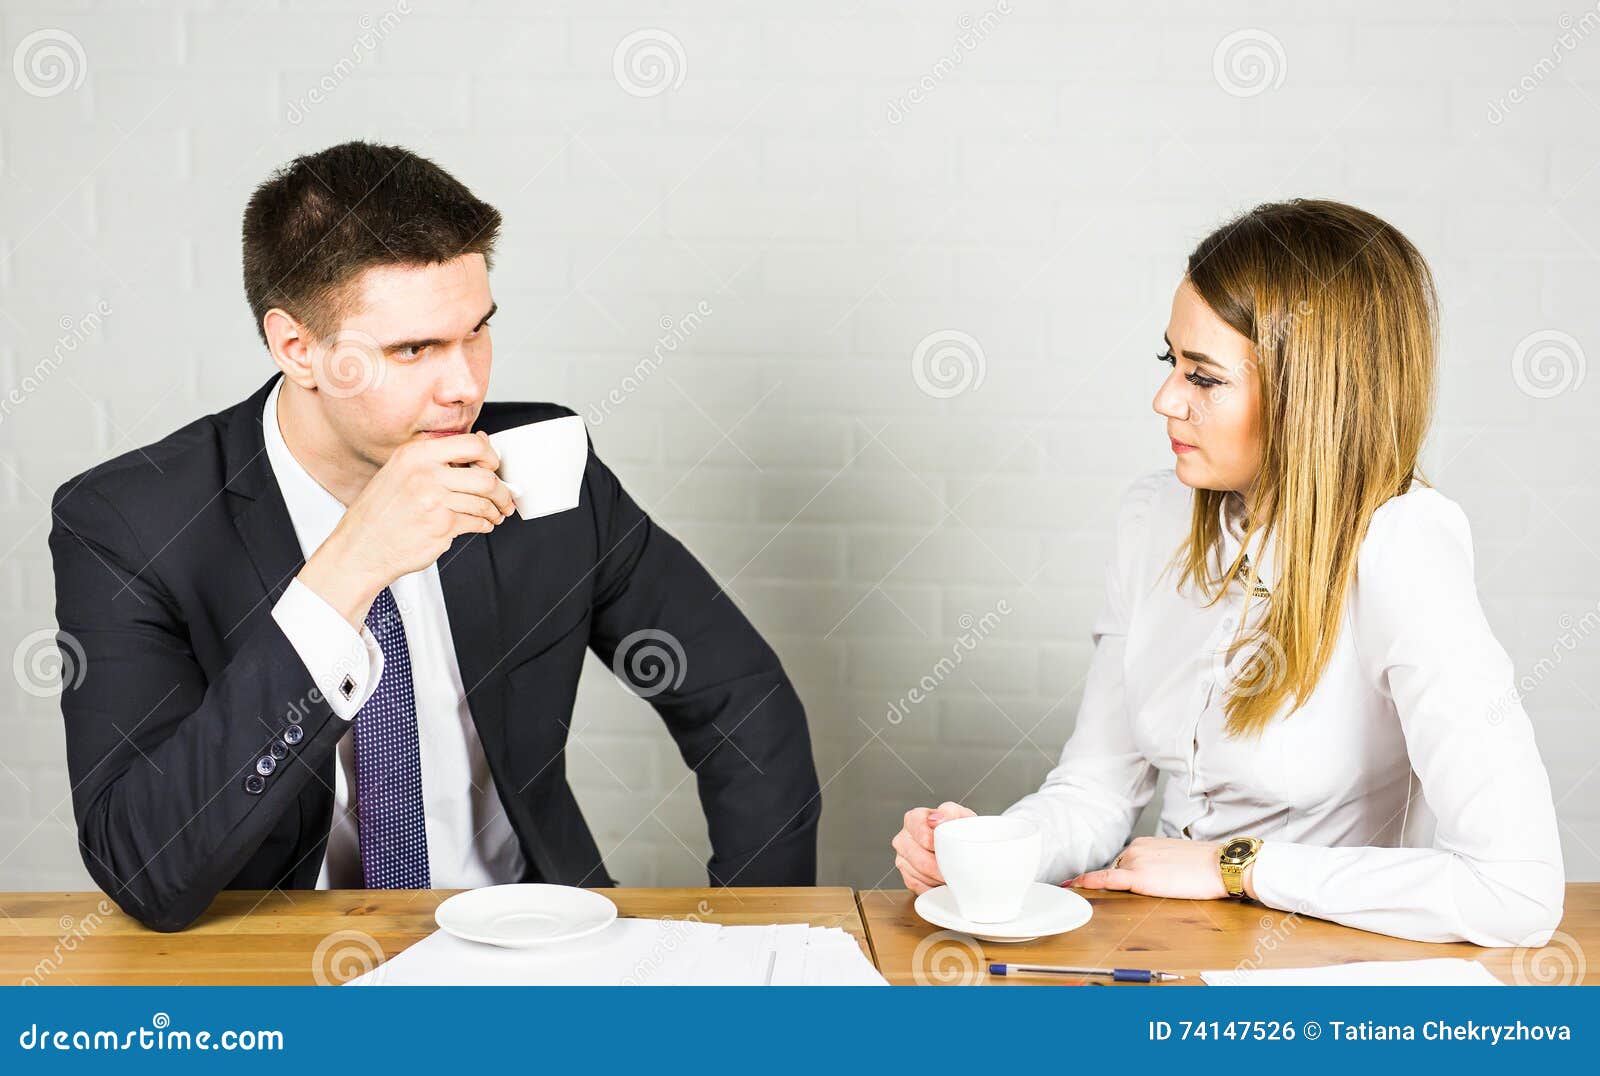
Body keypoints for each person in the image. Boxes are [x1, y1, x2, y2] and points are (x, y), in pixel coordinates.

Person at [49, 141, 821, 933]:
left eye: (476, 332)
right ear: (297, 348)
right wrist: (350, 567)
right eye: (413, 349)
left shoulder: (543, 468)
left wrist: (759, 937)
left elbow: (740, 699)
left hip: (531, 940)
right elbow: (143, 867)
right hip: (272, 960)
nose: (465, 386)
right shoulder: (127, 521)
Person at [891, 199, 1564, 948]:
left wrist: (1235, 866)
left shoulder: (1402, 544)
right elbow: (1095, 792)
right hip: (1165, 951)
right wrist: (992, 853)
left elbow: (1517, 891)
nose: (1165, 399)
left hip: (1327, 974)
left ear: (1311, 393)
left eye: (1203, 377)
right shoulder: (1155, 513)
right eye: (1168, 362)